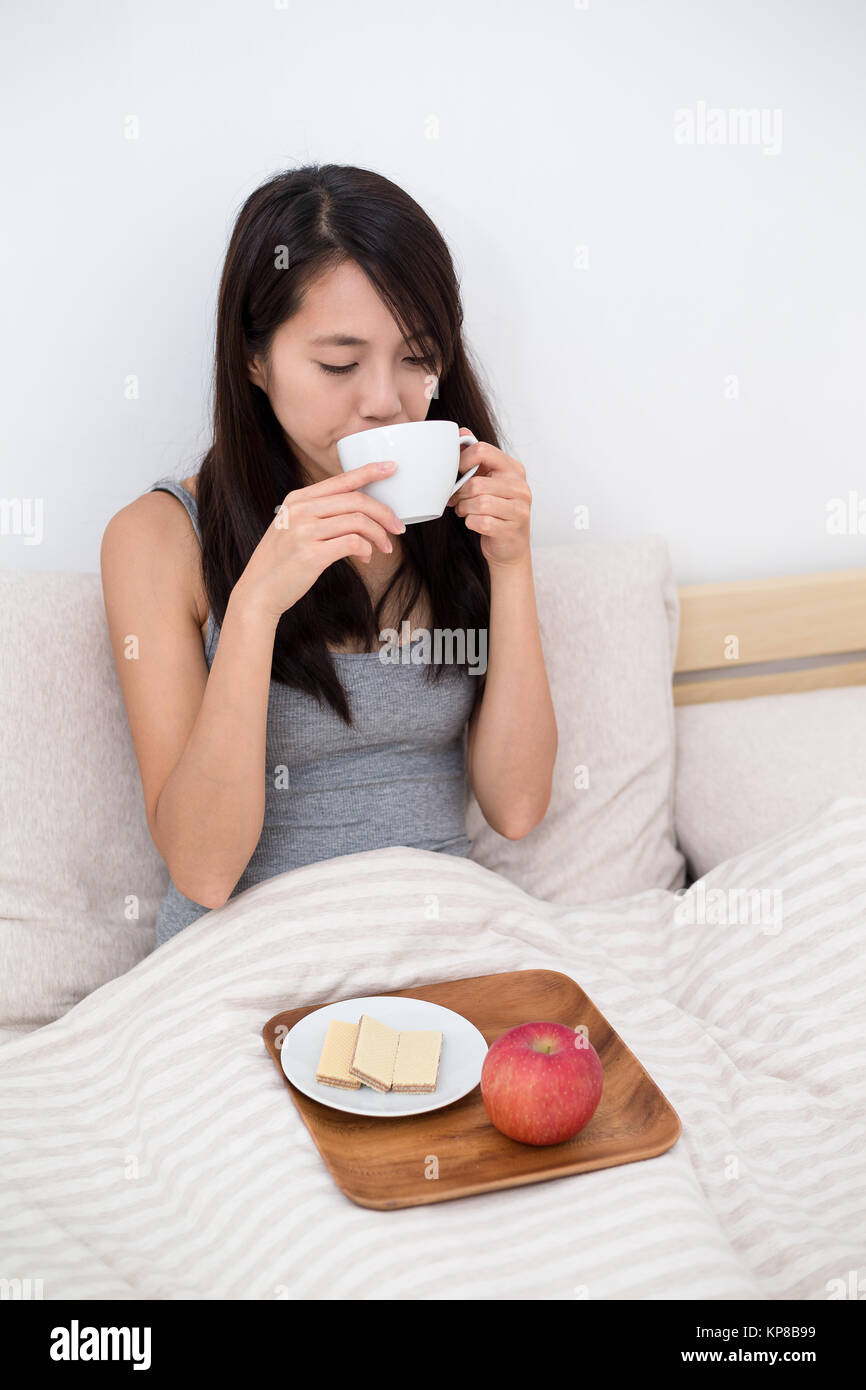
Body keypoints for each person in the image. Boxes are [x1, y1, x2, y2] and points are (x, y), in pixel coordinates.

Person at [100, 163, 557, 946]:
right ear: (255, 359)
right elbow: (205, 871)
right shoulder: (160, 537)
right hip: (251, 954)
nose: (385, 398)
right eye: (340, 364)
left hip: (442, 940)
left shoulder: (456, 505)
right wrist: (253, 607)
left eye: (417, 357)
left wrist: (511, 567)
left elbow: (515, 809)